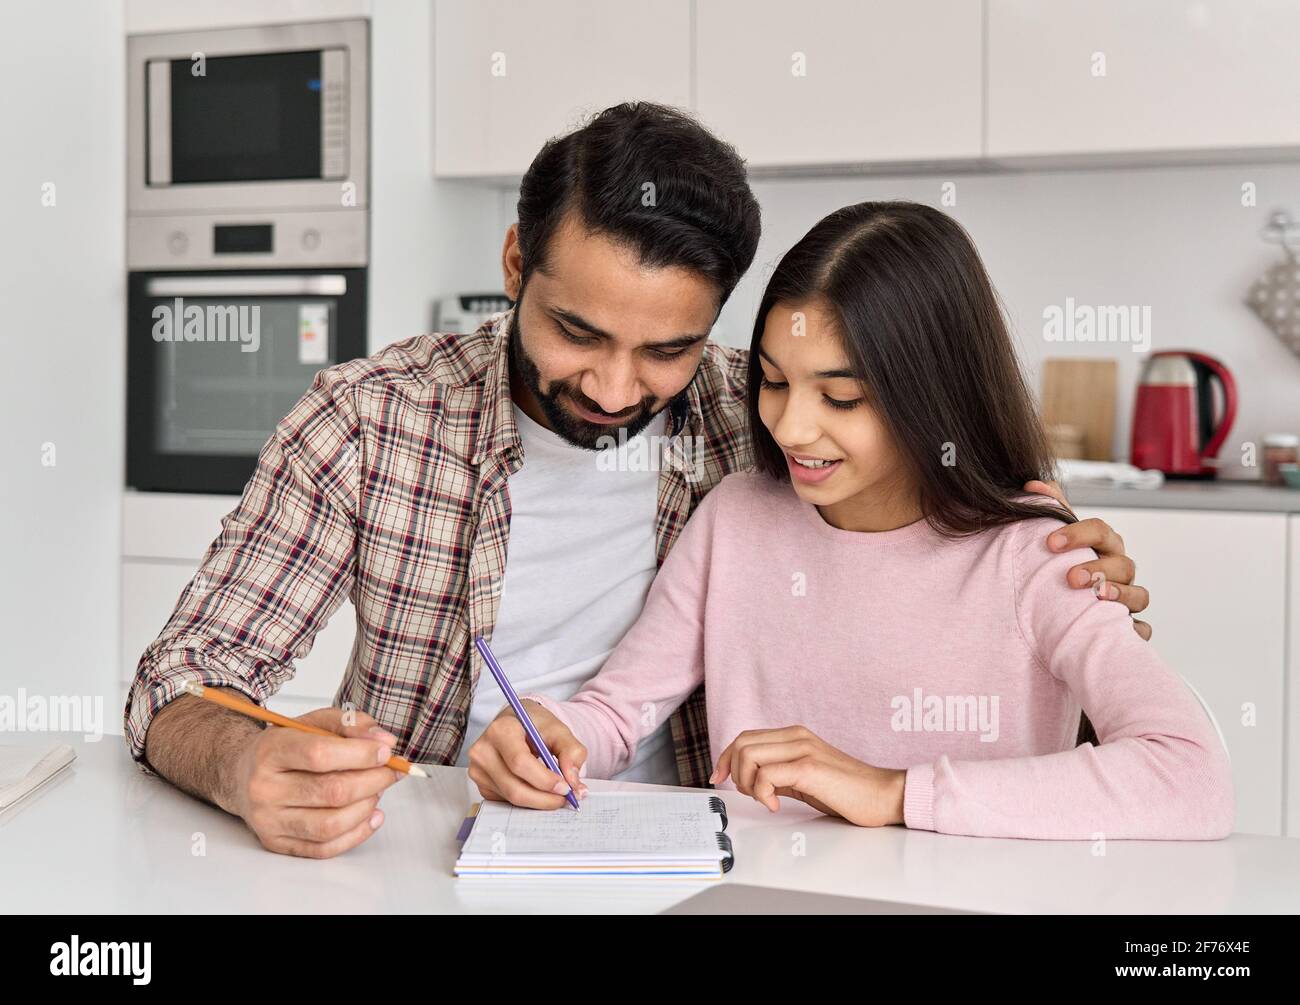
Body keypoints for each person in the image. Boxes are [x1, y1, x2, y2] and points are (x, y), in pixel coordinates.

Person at [126, 105, 1153, 858]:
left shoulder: (758, 419)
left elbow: (941, 545)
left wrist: (1037, 547)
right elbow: (180, 677)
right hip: (428, 845)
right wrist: (243, 764)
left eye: (666, 348)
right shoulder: (369, 420)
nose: (617, 388)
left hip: (705, 858)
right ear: (516, 261)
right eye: (578, 331)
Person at [467, 201, 1233, 840]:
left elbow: (1190, 774)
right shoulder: (736, 519)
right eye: (772, 381)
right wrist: (552, 736)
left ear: (930, 394)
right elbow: (617, 710)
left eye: (841, 399)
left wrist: (895, 793)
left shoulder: (1037, 554)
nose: (793, 428)